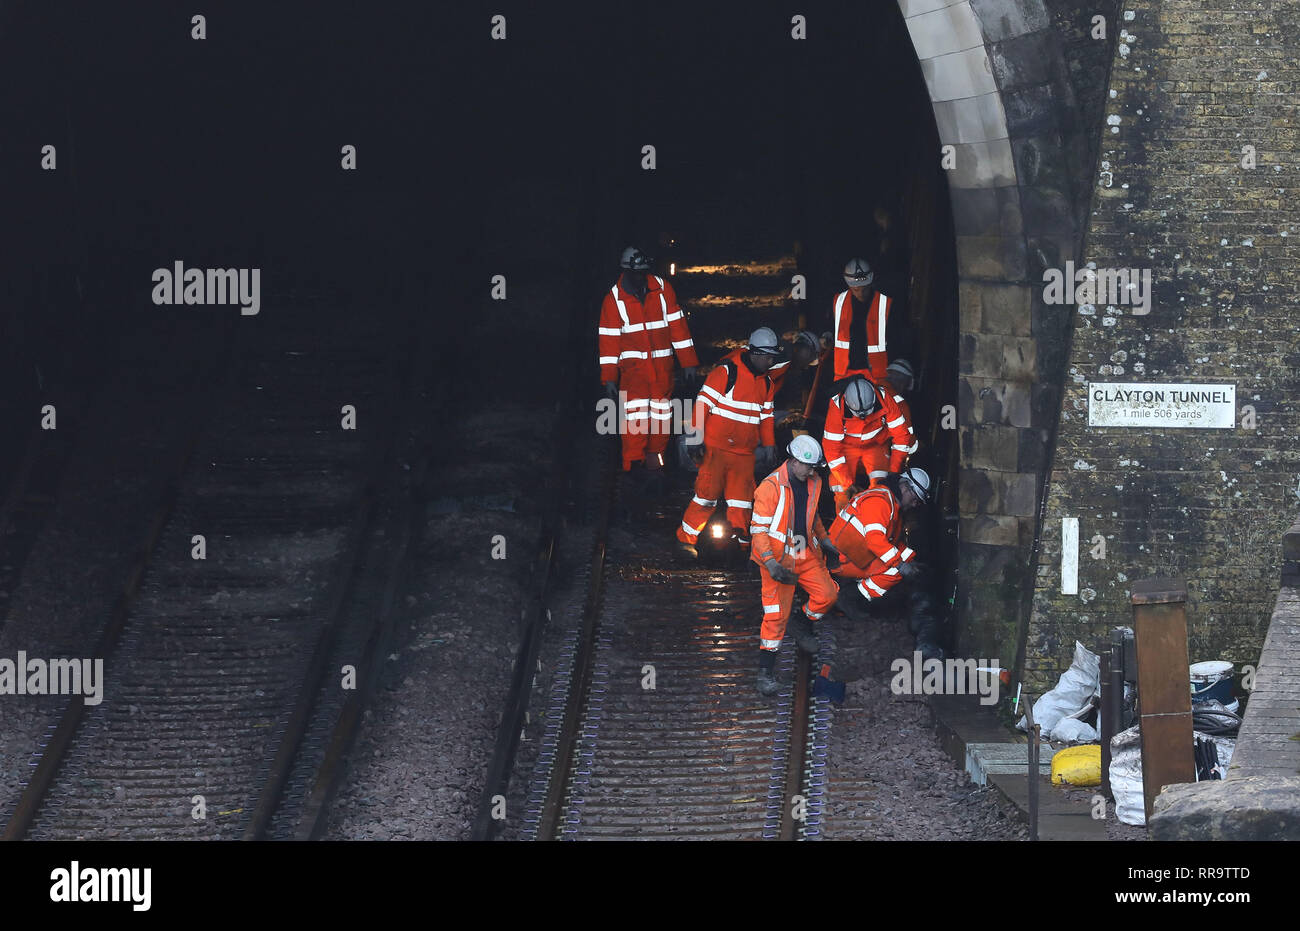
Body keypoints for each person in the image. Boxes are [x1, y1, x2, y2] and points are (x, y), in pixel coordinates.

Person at [749, 435, 843, 696]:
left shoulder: (814, 481)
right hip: (778, 561)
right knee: (775, 616)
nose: (812, 471)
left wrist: (825, 540)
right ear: (793, 461)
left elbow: (812, 517)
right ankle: (765, 673)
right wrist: (770, 563)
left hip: (804, 552)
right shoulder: (769, 487)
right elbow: (758, 531)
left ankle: (800, 622)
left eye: (814, 467)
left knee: (828, 595)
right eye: (808, 466)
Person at [676, 328, 780, 556]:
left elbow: (767, 418)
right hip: (716, 449)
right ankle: (685, 542)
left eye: (773, 357)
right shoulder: (726, 373)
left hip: (743, 454)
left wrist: (770, 445)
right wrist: (695, 438)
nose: (771, 362)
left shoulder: (767, 385)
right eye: (768, 357)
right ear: (756, 353)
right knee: (705, 497)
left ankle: (741, 547)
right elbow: (702, 404)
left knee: (741, 504)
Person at [598, 246, 699, 476]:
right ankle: (633, 468)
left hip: (662, 373)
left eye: (644, 272)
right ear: (625, 271)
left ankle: (655, 468)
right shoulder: (614, 300)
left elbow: (678, 329)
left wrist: (688, 363)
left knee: (662, 421)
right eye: (636, 272)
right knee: (635, 422)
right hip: (634, 376)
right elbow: (609, 343)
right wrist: (609, 379)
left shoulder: (662, 290)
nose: (641, 277)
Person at [828, 467, 943, 659]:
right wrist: (902, 565)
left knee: (904, 560)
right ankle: (852, 597)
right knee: (896, 570)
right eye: (915, 499)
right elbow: (875, 541)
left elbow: (891, 542)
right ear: (905, 488)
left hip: (858, 555)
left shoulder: (891, 504)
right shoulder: (880, 501)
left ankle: (856, 592)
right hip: (843, 558)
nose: (915, 504)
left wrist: (914, 562)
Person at [822, 375, 917, 511]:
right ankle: (845, 523)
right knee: (841, 490)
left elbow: (901, 437)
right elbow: (832, 449)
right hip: (847, 448)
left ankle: (877, 516)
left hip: (876, 445)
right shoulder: (837, 406)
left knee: (882, 487)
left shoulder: (885, 399)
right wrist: (847, 483)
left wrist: (894, 471)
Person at [830, 257, 913, 385]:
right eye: (856, 290)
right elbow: (831, 329)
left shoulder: (886, 305)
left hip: (877, 375)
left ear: (871, 283)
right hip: (844, 375)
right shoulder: (838, 302)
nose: (861, 293)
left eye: (865, 288)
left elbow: (897, 338)